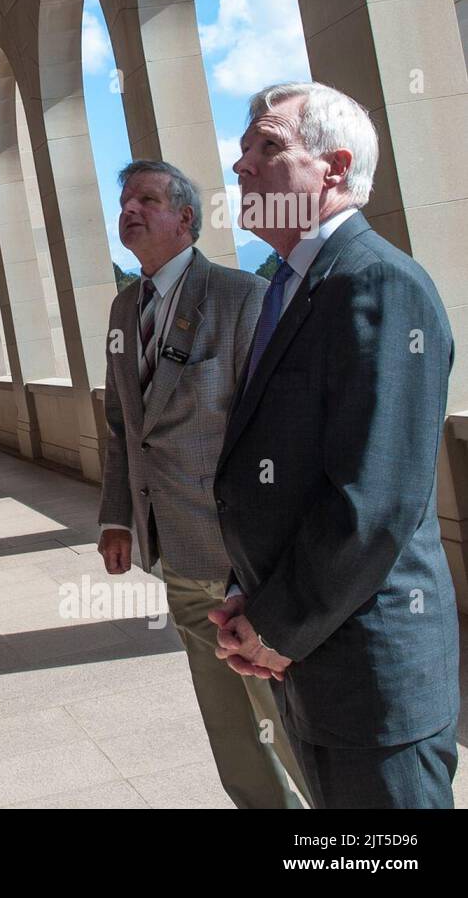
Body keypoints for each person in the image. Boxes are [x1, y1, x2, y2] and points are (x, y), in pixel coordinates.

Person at [209, 81, 459, 808]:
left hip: (370, 668)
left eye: (268, 146)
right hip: (311, 656)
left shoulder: (376, 282)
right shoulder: (291, 285)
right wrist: (249, 596)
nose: (241, 165)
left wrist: (275, 624)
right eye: (243, 149)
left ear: (335, 168)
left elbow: (375, 498)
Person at [98, 160, 308, 808]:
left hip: (242, 558)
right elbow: (121, 424)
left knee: (283, 715)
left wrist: (269, 551)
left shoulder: (242, 297)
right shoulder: (124, 308)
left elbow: (280, 431)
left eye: (147, 199)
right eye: (125, 201)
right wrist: (117, 517)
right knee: (228, 724)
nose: (130, 209)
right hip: (177, 552)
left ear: (186, 218)